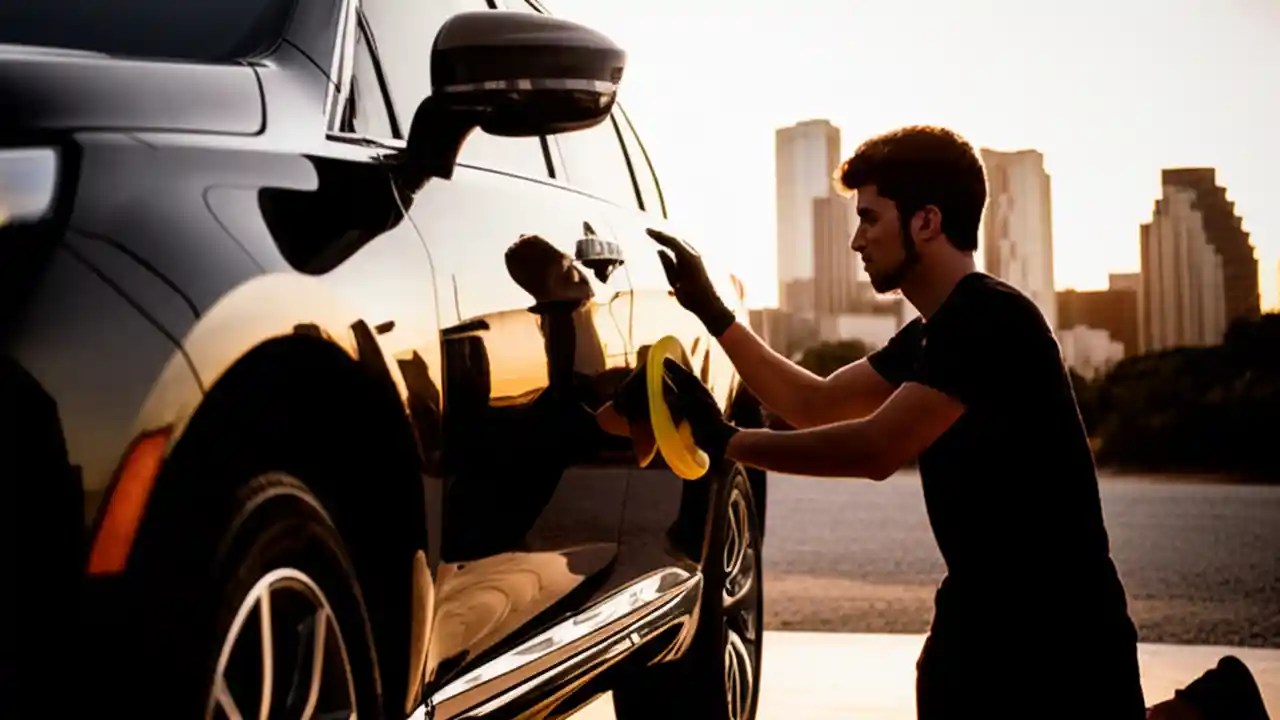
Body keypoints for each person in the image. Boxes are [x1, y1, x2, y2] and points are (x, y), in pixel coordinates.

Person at [625, 125, 1270, 720]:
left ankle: (1211, 711)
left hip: (1062, 630)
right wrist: (714, 312)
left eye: (869, 219)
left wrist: (728, 441)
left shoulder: (990, 319)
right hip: (976, 618)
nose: (857, 240)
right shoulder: (931, 334)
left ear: (926, 221)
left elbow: (876, 448)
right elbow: (815, 403)